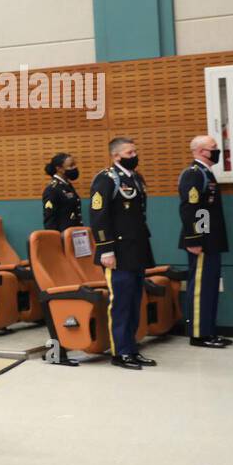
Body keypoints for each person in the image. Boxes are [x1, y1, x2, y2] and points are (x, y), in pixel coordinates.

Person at [89, 137, 156, 370]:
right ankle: (120, 352)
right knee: (121, 303)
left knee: (135, 301)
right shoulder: (105, 179)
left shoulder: (135, 178)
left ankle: (132, 349)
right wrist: (105, 249)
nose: (134, 155)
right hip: (116, 252)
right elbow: (99, 216)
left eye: (135, 151)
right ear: (116, 156)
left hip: (137, 249)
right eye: (129, 152)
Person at [179, 134, 230, 349]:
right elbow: (191, 209)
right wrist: (195, 238)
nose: (217, 150)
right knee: (200, 288)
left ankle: (209, 330)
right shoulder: (194, 174)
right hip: (200, 242)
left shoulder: (205, 173)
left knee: (209, 287)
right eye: (213, 147)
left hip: (211, 240)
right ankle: (199, 334)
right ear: (201, 151)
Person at [42, 152, 82, 230]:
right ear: (59, 169)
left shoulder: (66, 185)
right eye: (71, 166)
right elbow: (50, 221)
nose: (75, 167)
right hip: (63, 235)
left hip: (74, 233)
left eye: (74, 164)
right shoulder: (52, 189)